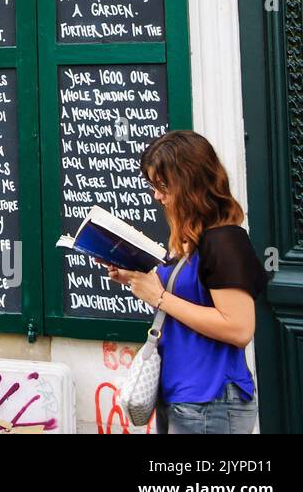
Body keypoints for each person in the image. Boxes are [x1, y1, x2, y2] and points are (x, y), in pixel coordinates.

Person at [107, 130, 268, 434]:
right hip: (184, 395)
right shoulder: (191, 239)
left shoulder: (224, 241)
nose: (157, 196)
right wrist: (134, 277)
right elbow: (188, 295)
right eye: (153, 186)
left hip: (210, 400)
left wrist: (159, 298)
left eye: (163, 186)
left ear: (191, 183)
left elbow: (239, 328)